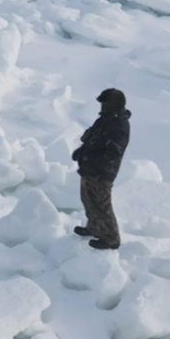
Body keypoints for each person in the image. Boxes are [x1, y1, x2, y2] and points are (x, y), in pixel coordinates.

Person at [71, 88, 129, 250]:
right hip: (89, 169)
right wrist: (81, 152)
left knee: (102, 205)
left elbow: (113, 152)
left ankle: (111, 238)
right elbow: (93, 139)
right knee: (88, 199)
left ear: (113, 104)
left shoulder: (119, 125)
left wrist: (94, 163)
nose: (101, 106)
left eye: (104, 103)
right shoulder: (105, 119)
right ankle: (94, 227)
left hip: (102, 173)